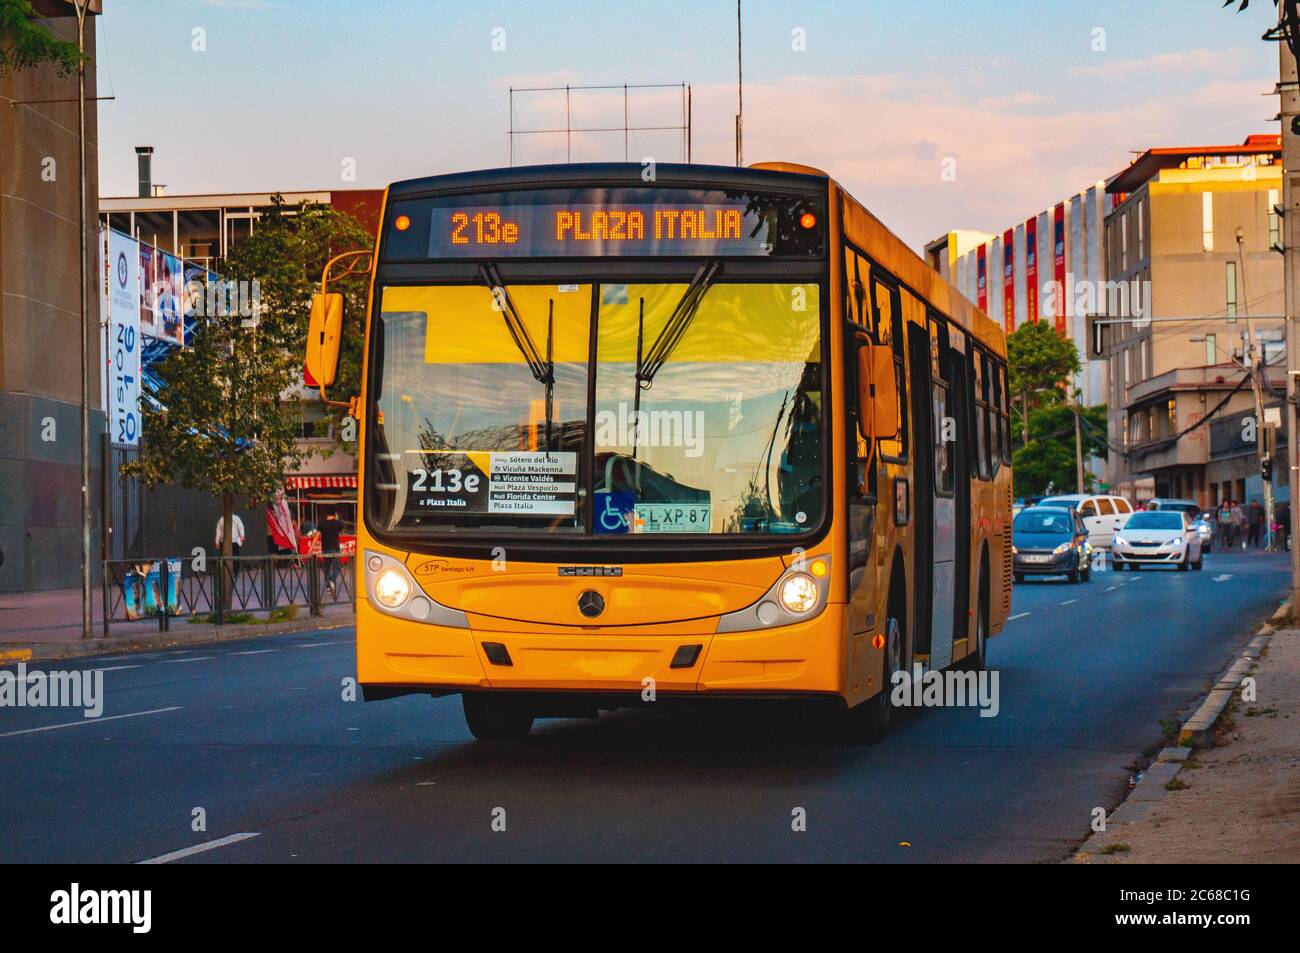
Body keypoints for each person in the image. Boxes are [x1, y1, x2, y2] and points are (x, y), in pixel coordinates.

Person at [319, 508, 344, 597]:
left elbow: (317, 536)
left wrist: (311, 547)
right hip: (336, 549)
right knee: (337, 568)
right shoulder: (338, 523)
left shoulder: (321, 524)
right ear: (335, 515)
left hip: (325, 549)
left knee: (327, 568)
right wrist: (336, 519)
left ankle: (328, 587)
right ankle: (332, 581)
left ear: (327, 514)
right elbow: (341, 530)